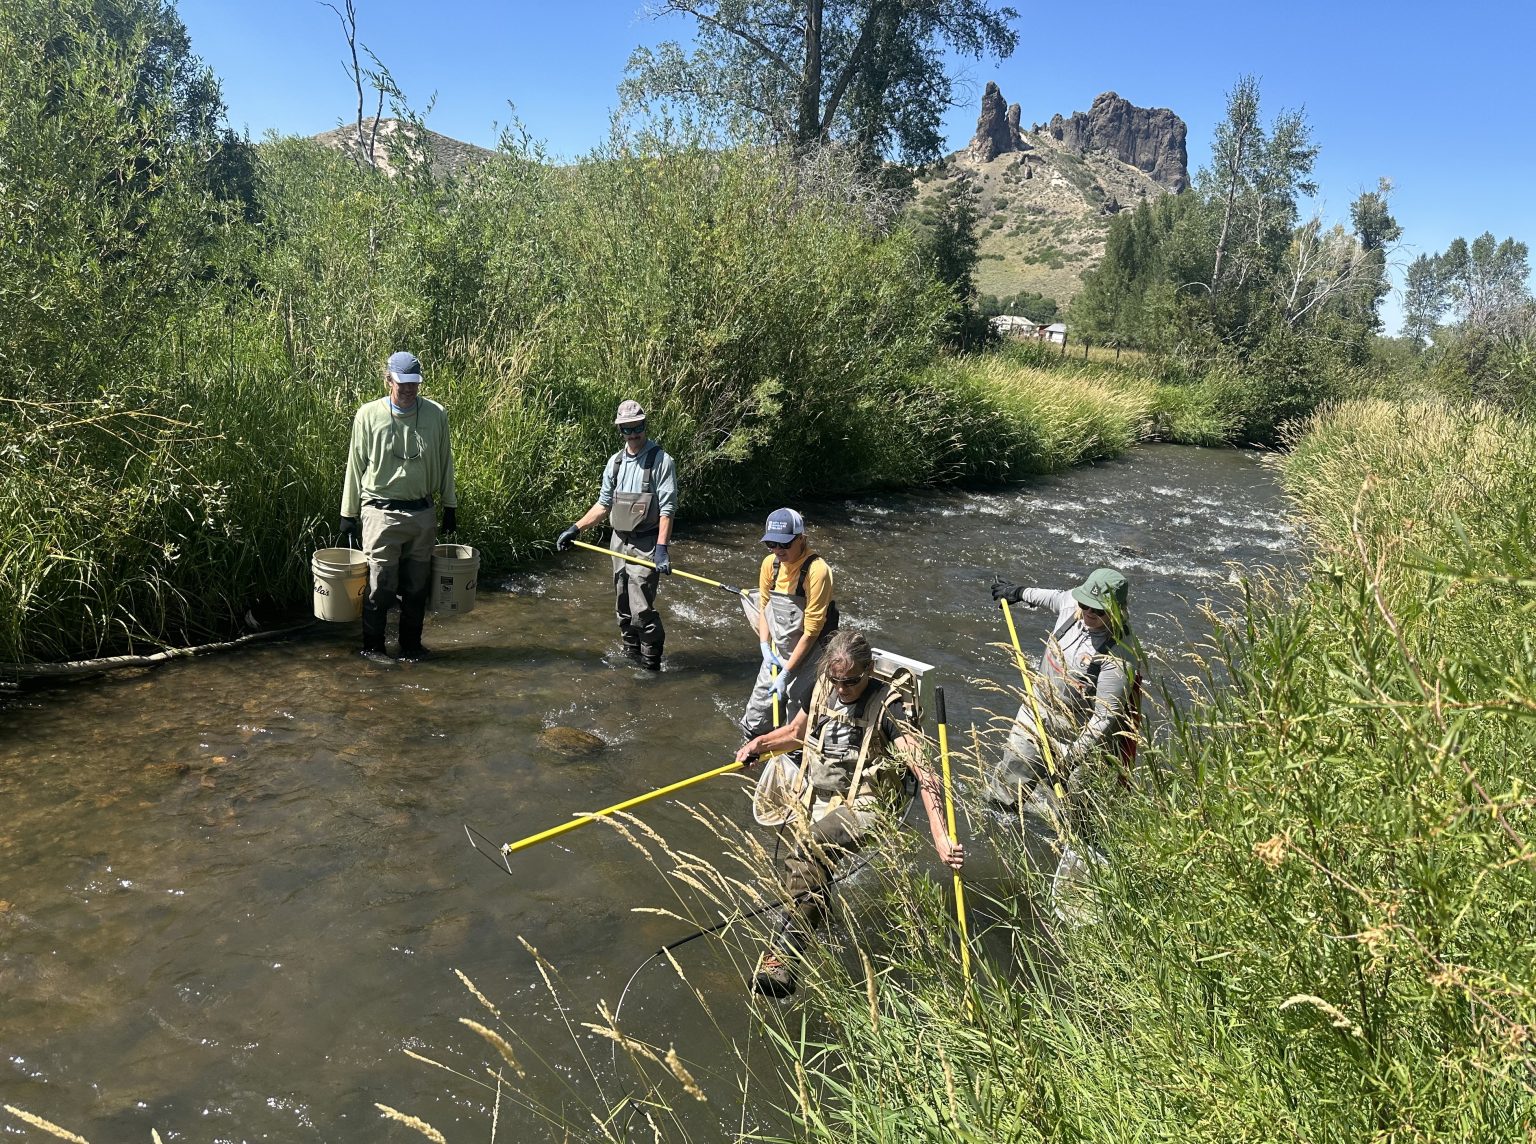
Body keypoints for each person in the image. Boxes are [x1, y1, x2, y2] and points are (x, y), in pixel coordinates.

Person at [735, 630, 964, 996]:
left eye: (852, 681)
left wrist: (940, 837)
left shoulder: (888, 707)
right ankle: (823, 927)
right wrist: (760, 744)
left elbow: (927, 774)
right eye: (837, 680)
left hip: (869, 805)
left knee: (809, 849)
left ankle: (783, 958)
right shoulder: (824, 685)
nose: (843, 689)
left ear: (869, 670)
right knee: (813, 871)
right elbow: (797, 733)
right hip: (823, 795)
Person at [985, 567, 1138, 825]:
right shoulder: (1072, 604)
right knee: (1006, 788)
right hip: (1037, 711)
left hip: (1079, 735)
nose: (1089, 613)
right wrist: (1018, 593)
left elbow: (1103, 719)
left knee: (1072, 815)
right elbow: (1052, 597)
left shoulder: (1120, 656)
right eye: (1085, 604)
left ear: (1116, 610)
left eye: (1098, 611)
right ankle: (995, 824)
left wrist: (1069, 761)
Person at [339, 350, 457, 663]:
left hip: (422, 513)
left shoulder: (436, 414)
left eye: (414, 384)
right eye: (402, 383)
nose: (408, 390)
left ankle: (411, 647)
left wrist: (450, 506)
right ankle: (373, 648)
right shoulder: (368, 414)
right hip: (380, 512)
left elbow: (446, 462)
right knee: (381, 586)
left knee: (417, 587)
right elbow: (355, 465)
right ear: (389, 379)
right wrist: (347, 514)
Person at [555, 400, 678, 671]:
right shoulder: (615, 463)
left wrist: (661, 549)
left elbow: (667, 510)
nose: (633, 434)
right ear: (620, 430)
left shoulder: (661, 460)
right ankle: (631, 655)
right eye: (627, 429)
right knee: (623, 605)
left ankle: (650, 666)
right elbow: (603, 505)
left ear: (645, 425)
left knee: (642, 608)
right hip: (618, 541)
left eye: (638, 428)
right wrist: (575, 528)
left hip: (647, 542)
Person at [739, 508, 838, 742]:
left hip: (811, 652)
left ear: (801, 538)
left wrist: (787, 673)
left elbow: (812, 631)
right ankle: (751, 752)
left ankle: (793, 758)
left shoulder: (817, 571)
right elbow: (765, 607)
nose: (777, 550)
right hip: (778, 649)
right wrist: (765, 645)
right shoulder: (769, 565)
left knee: (796, 710)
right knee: (757, 712)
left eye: (784, 544)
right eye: (771, 544)